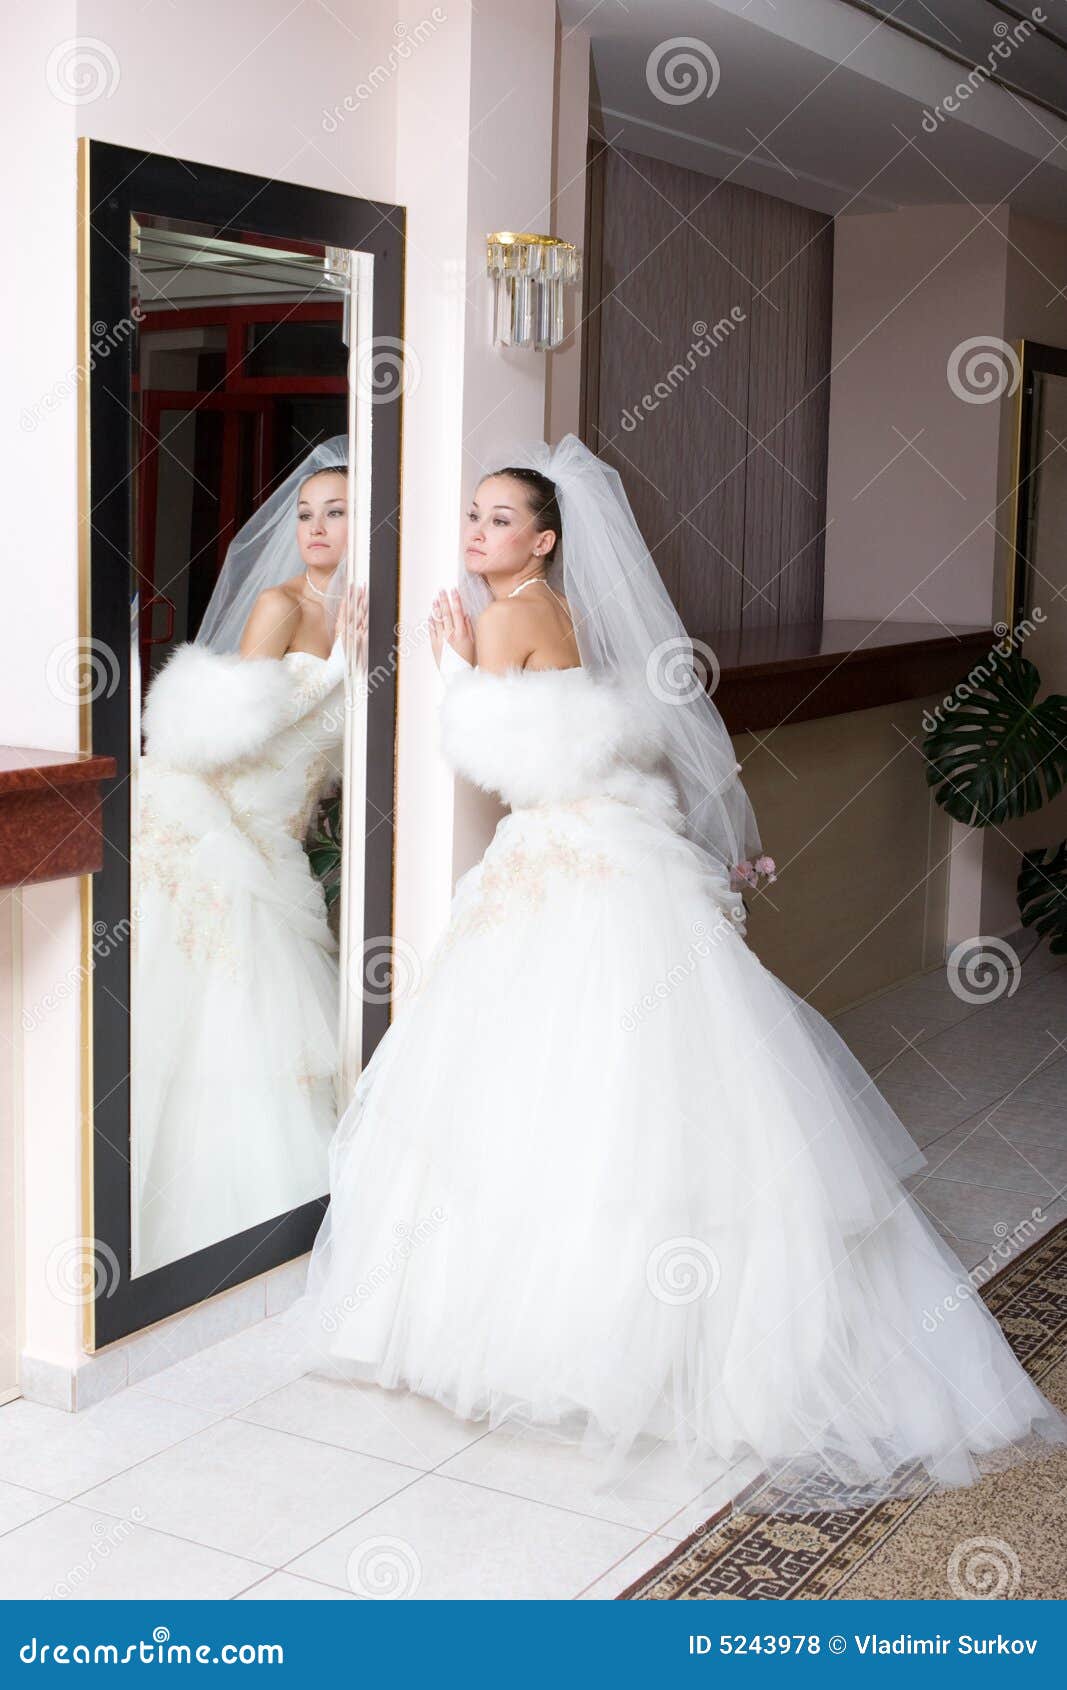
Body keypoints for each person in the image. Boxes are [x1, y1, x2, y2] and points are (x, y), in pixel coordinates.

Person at [286, 434, 1067, 1515]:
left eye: (499, 519)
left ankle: (566, 1345)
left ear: (543, 541)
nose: (475, 533)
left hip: (560, 860)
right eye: (471, 515)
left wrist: (452, 671)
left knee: (543, 1087)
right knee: (650, 1085)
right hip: (607, 853)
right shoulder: (556, 610)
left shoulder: (506, 617)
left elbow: (506, 762)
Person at [131, 437, 352, 1275]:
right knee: (219, 1008)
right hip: (220, 827)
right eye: (305, 513)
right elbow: (219, 734)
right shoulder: (280, 604)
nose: (314, 528)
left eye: (336, 513)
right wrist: (336, 669)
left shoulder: (367, 610)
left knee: (259, 1016)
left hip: (280, 841)